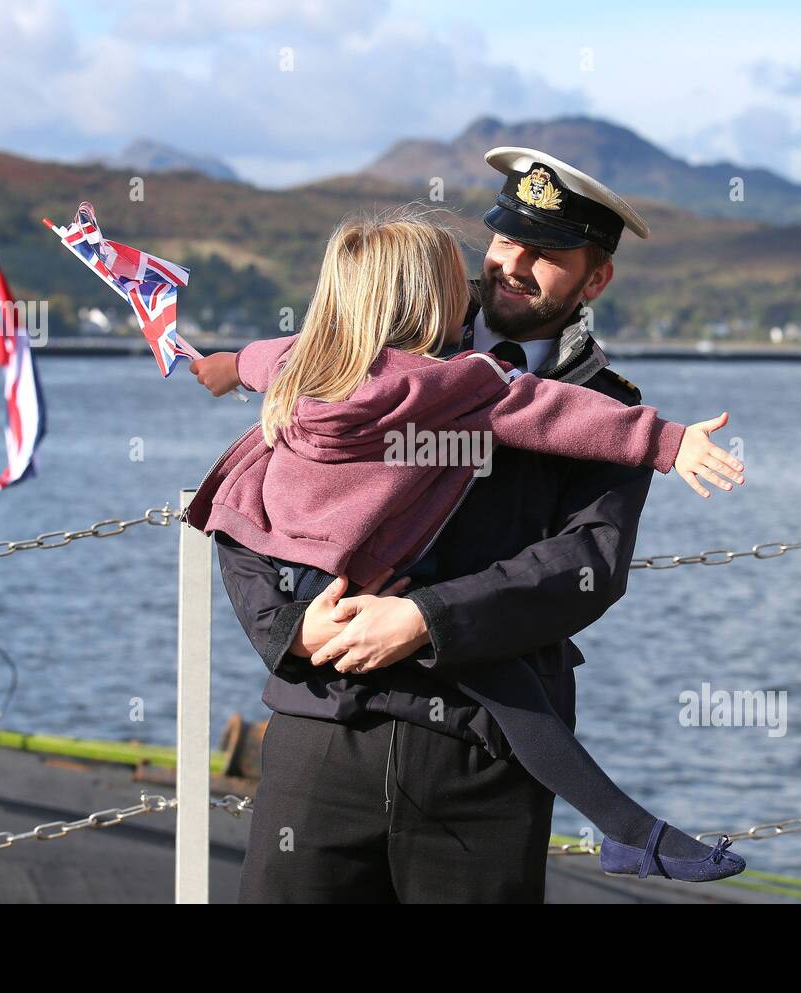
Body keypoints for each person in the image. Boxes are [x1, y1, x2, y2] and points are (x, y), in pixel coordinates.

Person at [188, 149, 741, 902]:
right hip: (325, 727)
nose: (513, 265)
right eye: (505, 240)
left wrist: (425, 617)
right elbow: (252, 500)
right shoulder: (382, 339)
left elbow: (588, 565)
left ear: (595, 277)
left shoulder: (606, 409)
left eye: (545, 254)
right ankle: (632, 829)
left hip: (484, 758)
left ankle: (629, 829)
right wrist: (287, 629)